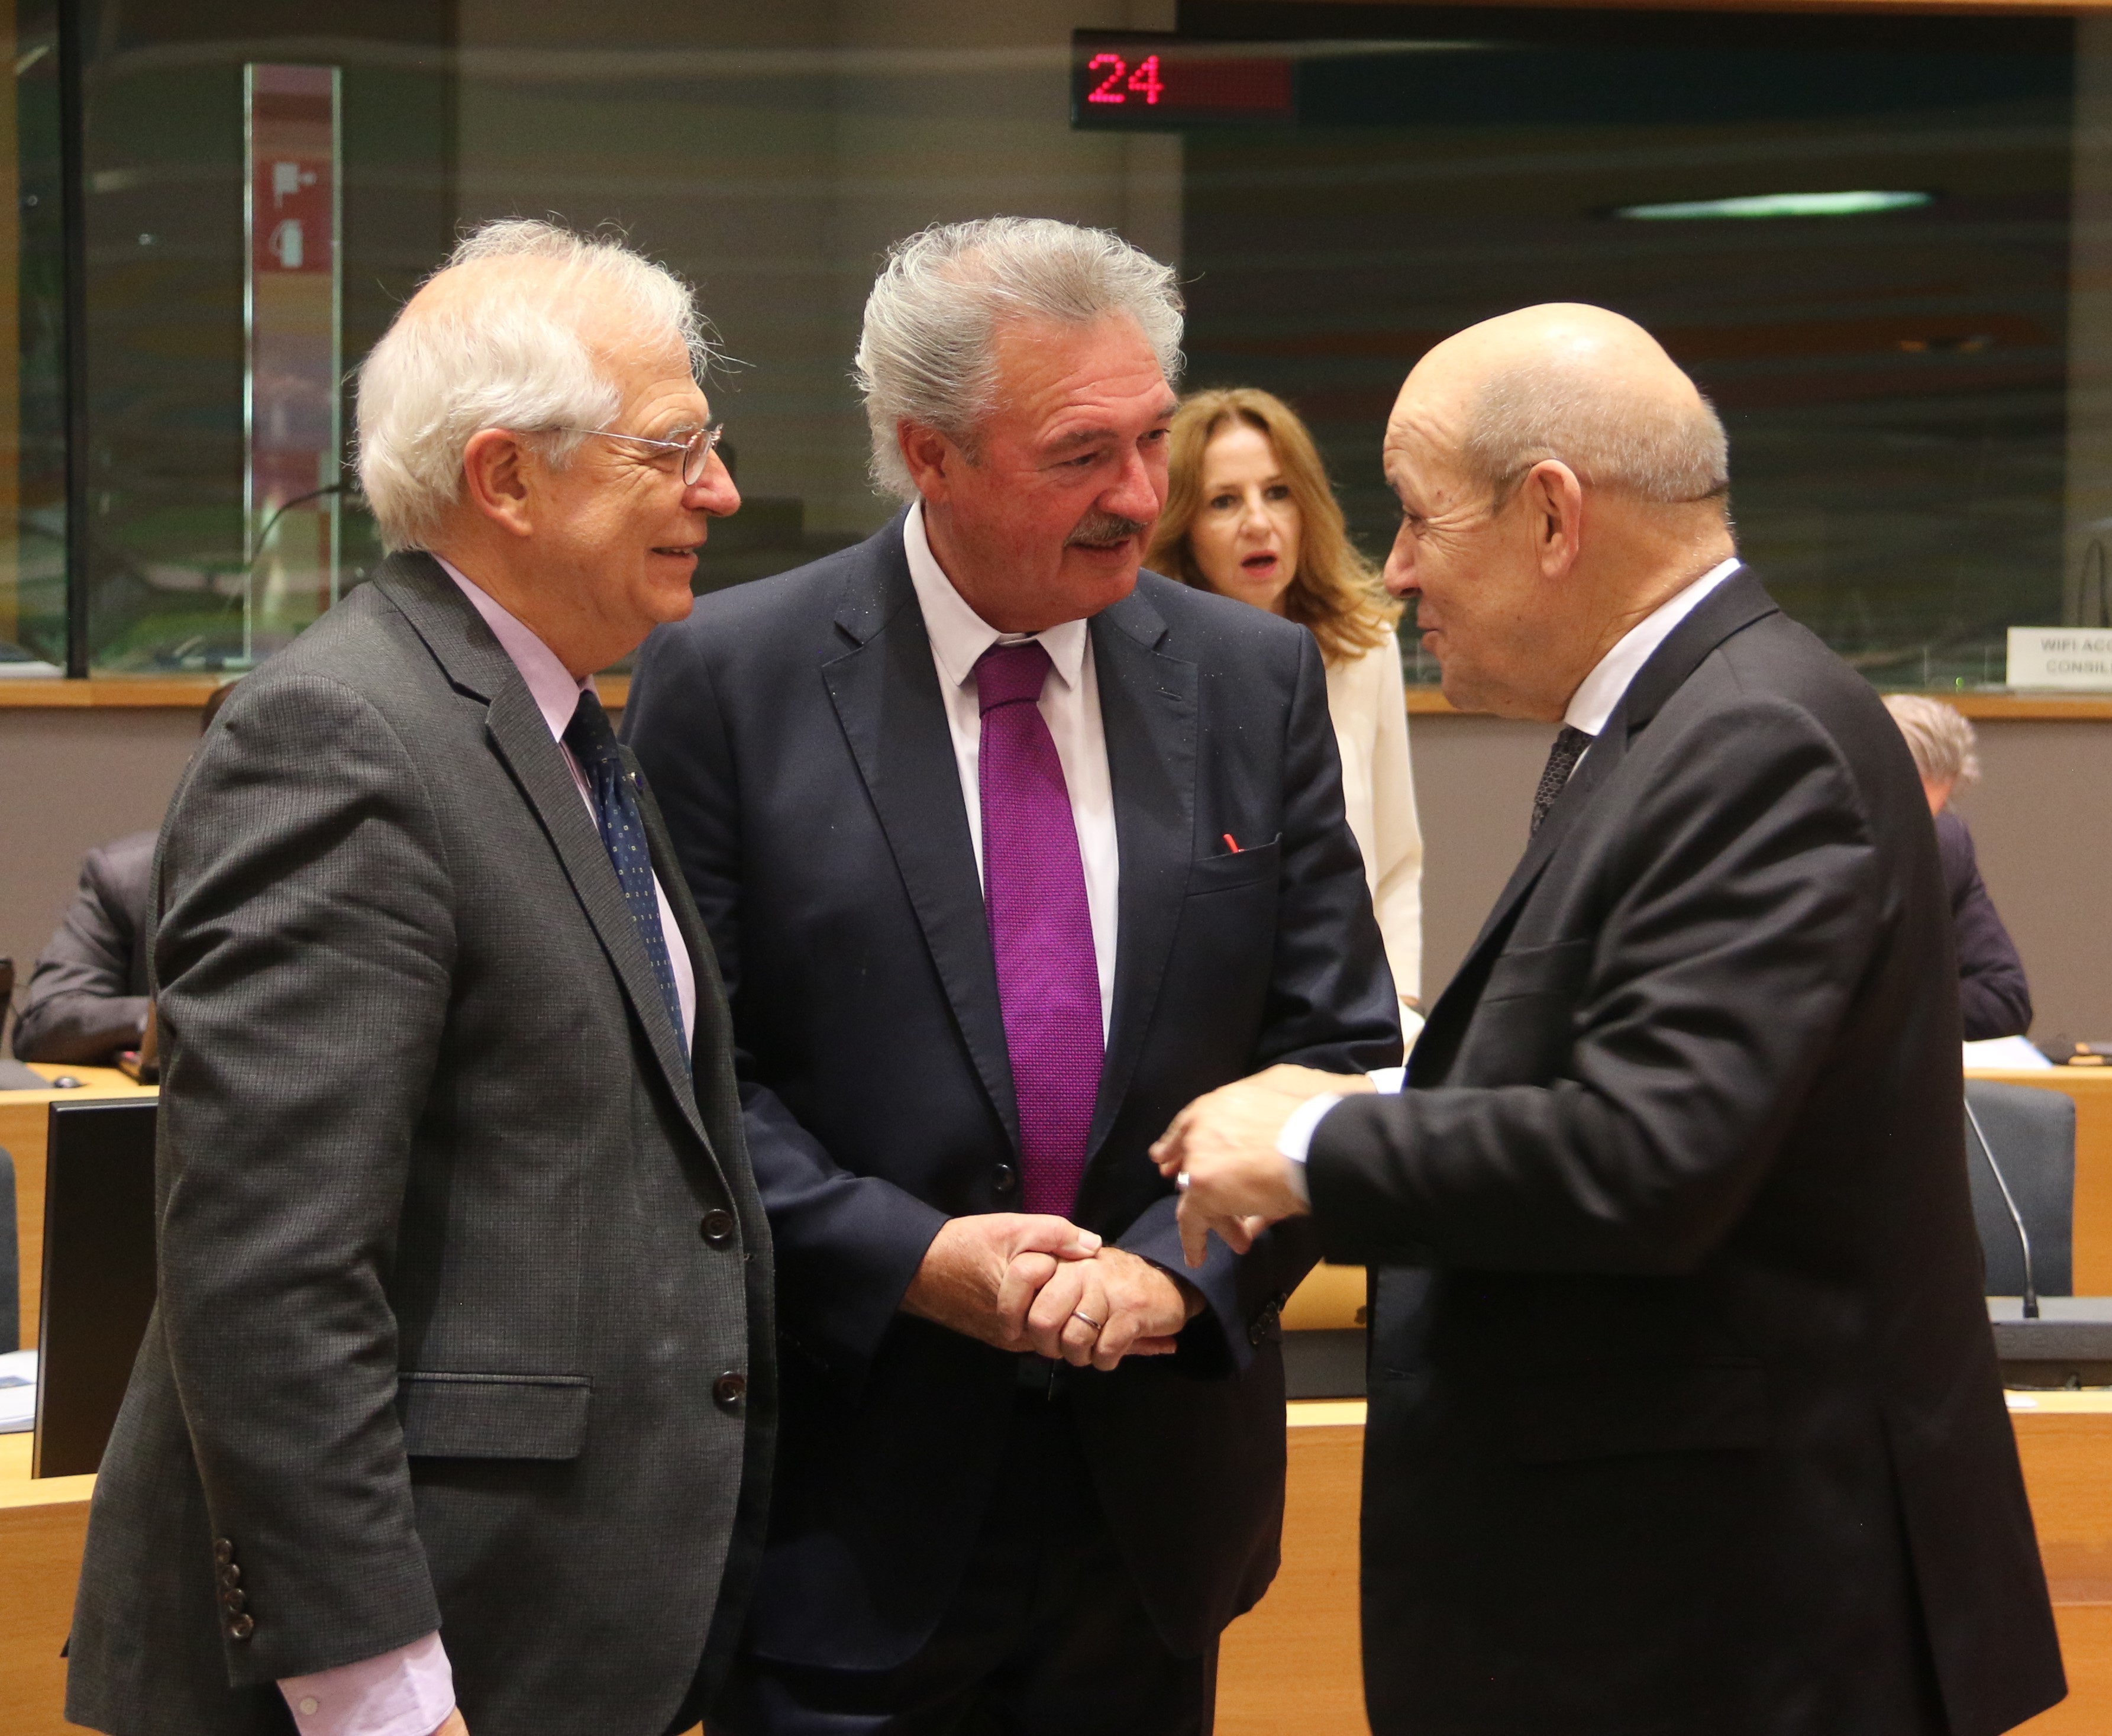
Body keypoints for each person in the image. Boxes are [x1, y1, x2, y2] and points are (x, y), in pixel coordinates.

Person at [1154, 304, 2065, 1735]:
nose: (1393, 572)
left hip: (1742, 1627)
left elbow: (1653, 1153)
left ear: (1553, 517)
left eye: (1415, 517)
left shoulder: (1753, 737)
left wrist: (1319, 1144)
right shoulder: (1683, 722)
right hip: (1683, 1604)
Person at [622, 217, 1400, 1736]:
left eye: (1151, 441)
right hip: (848, 1511)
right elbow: (682, 1074)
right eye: (1079, 453)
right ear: (931, 454)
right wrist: (914, 1259)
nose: (1136, 497)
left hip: (1155, 1510)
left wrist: (1174, 1273)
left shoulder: (1248, 680)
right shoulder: (732, 680)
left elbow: (1331, 1045)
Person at [66, 220, 776, 1736]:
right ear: (509, 477)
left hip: (552, 1636)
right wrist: (378, 1692)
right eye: (673, 450)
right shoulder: (337, 739)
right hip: (401, 1672)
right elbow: (267, 1268)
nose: (717, 491)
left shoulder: (563, 734)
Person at [1146, 388, 1425, 1031]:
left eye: (1277, 493)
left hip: (1358, 1010)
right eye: (1224, 501)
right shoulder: (1147, 666)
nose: (1258, 523)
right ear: (1183, 525)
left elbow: (1398, 859)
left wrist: (1400, 1002)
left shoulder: (1365, 646)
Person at [13, 680, 240, 1065]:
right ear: (199, 770)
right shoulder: (128, 877)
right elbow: (46, 1024)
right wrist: (166, 1016)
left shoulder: (353, 868)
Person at [1884, 693, 2032, 1041]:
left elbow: (2005, 1000)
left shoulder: (1944, 845)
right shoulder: (1804, 848)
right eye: (1907, 810)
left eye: (1930, 815)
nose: (1918, 833)